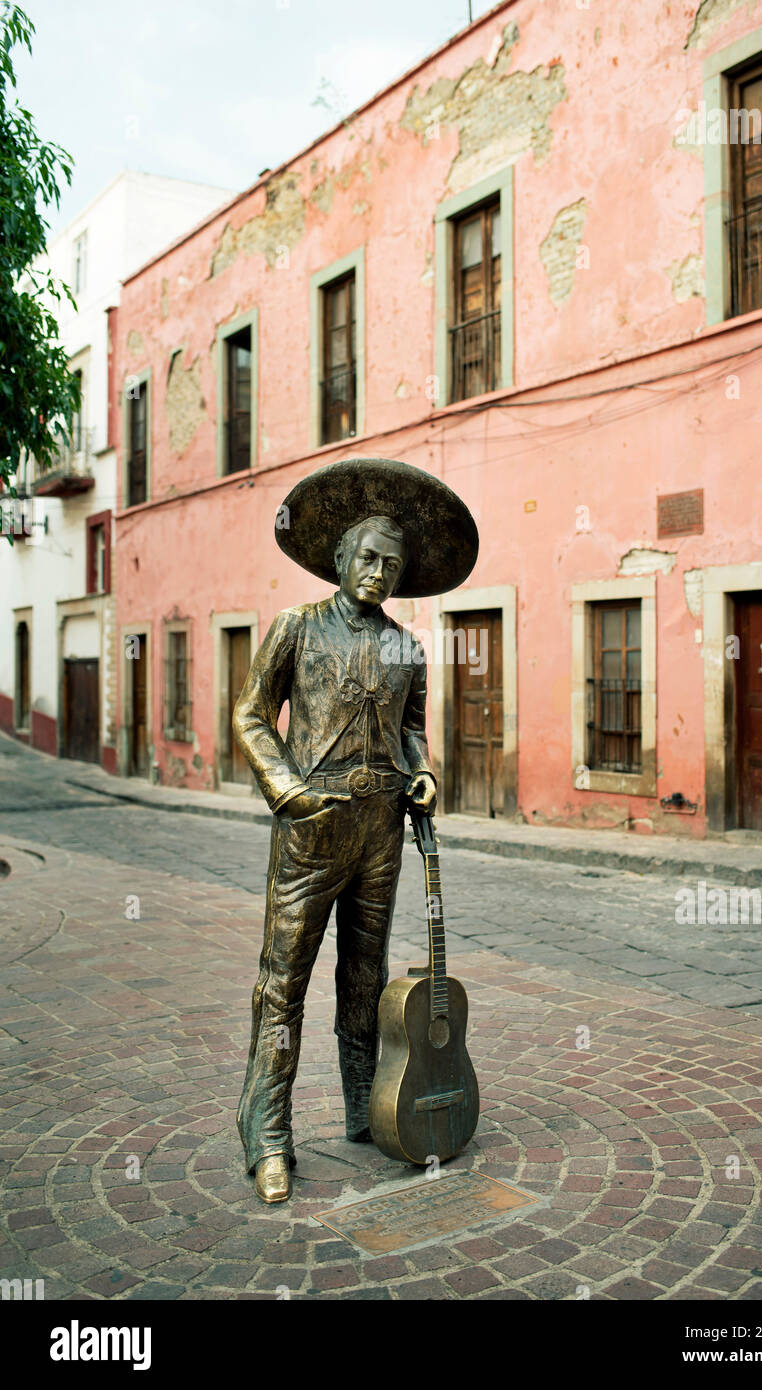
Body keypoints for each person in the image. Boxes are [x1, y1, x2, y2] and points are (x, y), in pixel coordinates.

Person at [233, 457, 478, 1202]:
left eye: (391, 565)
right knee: (284, 985)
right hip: (312, 829)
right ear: (339, 560)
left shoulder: (409, 647)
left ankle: (366, 1109)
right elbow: (249, 716)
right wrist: (285, 789)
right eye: (367, 558)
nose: (377, 573)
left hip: (381, 832)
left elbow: (411, 731)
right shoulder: (294, 629)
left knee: (364, 982)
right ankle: (268, 1135)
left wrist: (424, 772)